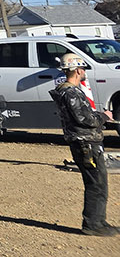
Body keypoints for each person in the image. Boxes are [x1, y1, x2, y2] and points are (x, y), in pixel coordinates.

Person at [51, 53, 116, 236]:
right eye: (83, 69)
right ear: (78, 70)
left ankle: (99, 221)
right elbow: (84, 119)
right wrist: (104, 117)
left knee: (98, 182)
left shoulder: (66, 91)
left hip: (85, 142)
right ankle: (93, 225)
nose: (84, 72)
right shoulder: (71, 93)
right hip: (86, 144)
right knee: (96, 183)